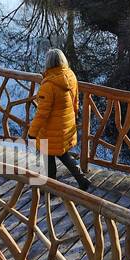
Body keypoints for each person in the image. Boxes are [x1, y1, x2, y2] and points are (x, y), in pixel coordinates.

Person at [27, 48, 90, 191]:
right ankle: (82, 180)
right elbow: (76, 102)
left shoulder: (48, 85)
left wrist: (32, 133)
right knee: (62, 154)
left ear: (48, 63)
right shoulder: (71, 76)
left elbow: (42, 114)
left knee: (48, 158)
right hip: (66, 126)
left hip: (50, 130)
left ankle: (51, 188)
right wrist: (73, 118)